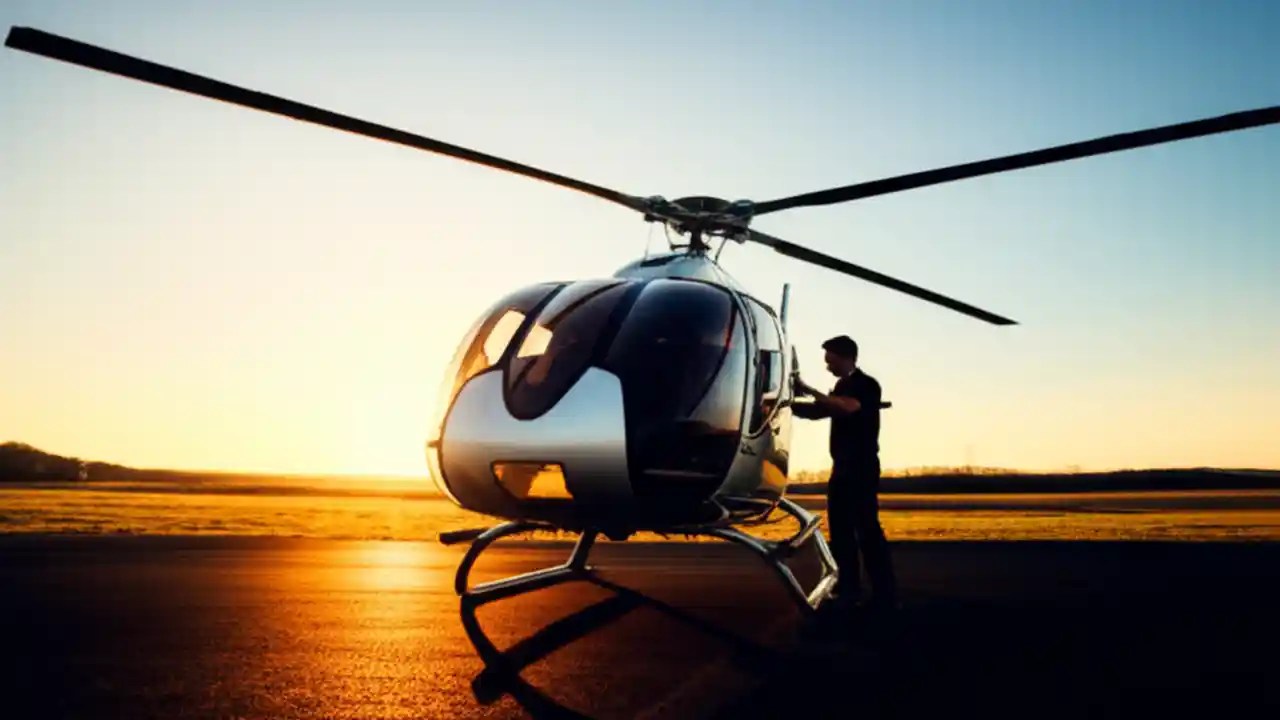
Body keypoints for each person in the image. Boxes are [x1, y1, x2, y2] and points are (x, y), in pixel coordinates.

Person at [792, 334, 898, 612]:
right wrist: (786, 405)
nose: (828, 367)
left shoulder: (867, 385)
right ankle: (848, 588)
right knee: (840, 531)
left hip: (861, 467)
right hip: (841, 467)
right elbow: (821, 411)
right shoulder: (842, 385)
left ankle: (885, 591)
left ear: (846, 357)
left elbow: (847, 407)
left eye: (831, 361)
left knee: (867, 529)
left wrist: (809, 389)